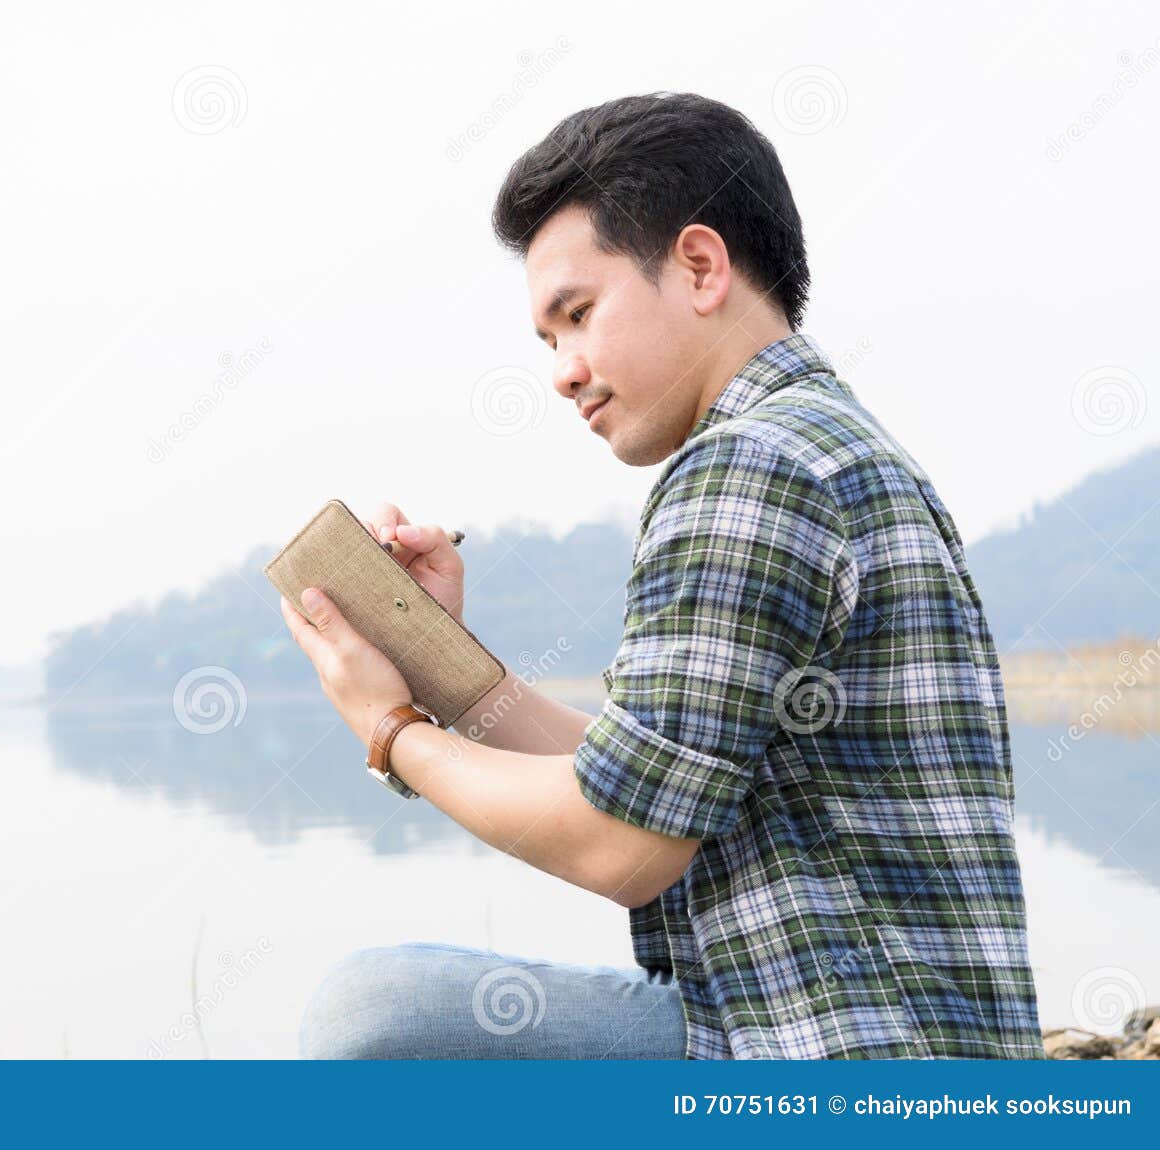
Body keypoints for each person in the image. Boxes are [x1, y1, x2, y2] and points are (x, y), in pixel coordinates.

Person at [280, 92, 1044, 1059]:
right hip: (891, 1047)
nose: (563, 371)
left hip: (831, 1057)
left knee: (371, 1014)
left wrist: (392, 732)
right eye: (549, 340)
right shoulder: (825, 444)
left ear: (699, 267)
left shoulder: (749, 467)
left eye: (579, 315)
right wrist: (440, 665)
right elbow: (646, 777)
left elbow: (622, 845)